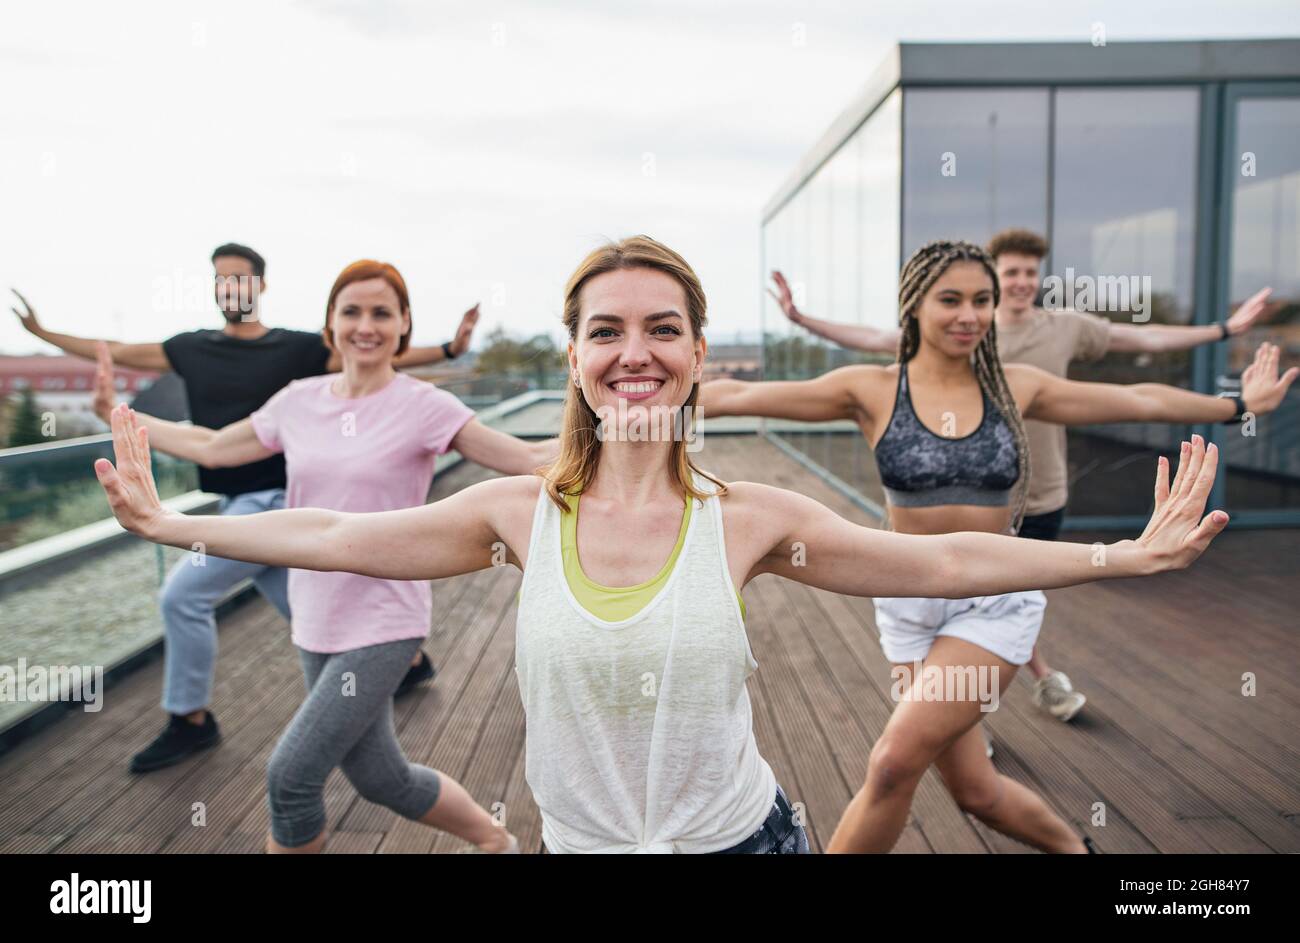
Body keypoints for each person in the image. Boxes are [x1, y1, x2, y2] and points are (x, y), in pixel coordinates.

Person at [95, 236, 1238, 854]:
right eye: (605, 330)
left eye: (662, 329)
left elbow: (947, 565)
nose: (632, 352)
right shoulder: (516, 514)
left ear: (697, 355)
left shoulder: (748, 518)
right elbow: (339, 530)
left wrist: (1113, 559)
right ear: (576, 355)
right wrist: (173, 520)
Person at [700, 239, 1293, 852]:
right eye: (950, 299)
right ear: (914, 306)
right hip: (907, 604)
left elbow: (1140, 398)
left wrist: (1239, 405)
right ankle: (1074, 848)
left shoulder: (1020, 386)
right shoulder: (871, 389)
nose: (969, 315)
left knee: (891, 764)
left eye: (981, 300)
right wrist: (636, 397)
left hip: (993, 599)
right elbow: (738, 396)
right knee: (976, 791)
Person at [94, 259, 554, 853]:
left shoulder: (426, 406)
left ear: (404, 324)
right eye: (352, 311)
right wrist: (123, 419)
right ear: (331, 325)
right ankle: (494, 840)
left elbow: (523, 458)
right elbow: (211, 444)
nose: (366, 324)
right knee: (382, 778)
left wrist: (626, 427)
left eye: (382, 312)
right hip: (314, 614)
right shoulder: (297, 401)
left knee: (291, 778)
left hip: (386, 618)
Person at [765, 228, 1275, 722]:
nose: (971, 313)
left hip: (1029, 503)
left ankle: (995, 696)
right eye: (1009, 273)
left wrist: (1234, 394)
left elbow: (1140, 378)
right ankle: (962, 722)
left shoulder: (1052, 338)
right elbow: (868, 340)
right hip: (911, 579)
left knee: (910, 743)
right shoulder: (909, 363)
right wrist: (792, 325)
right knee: (949, 759)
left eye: (987, 295)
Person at [11, 243, 480, 772]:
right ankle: (406, 661)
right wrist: (42, 334)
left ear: (260, 286)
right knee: (307, 607)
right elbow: (118, 349)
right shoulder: (191, 348)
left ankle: (189, 719)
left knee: (182, 596)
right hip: (238, 505)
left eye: (240, 279)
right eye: (221, 279)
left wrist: (446, 348)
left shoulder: (295, 350)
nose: (230, 288)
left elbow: (374, 347)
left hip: (284, 505)